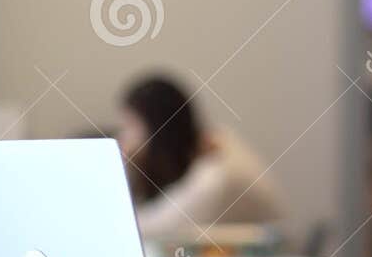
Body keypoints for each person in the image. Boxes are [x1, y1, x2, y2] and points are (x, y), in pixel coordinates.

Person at [116, 74, 285, 239]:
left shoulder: (218, 175)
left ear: (158, 129)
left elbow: (152, 228)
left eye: (131, 126)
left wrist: (124, 164)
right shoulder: (214, 141)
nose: (124, 139)